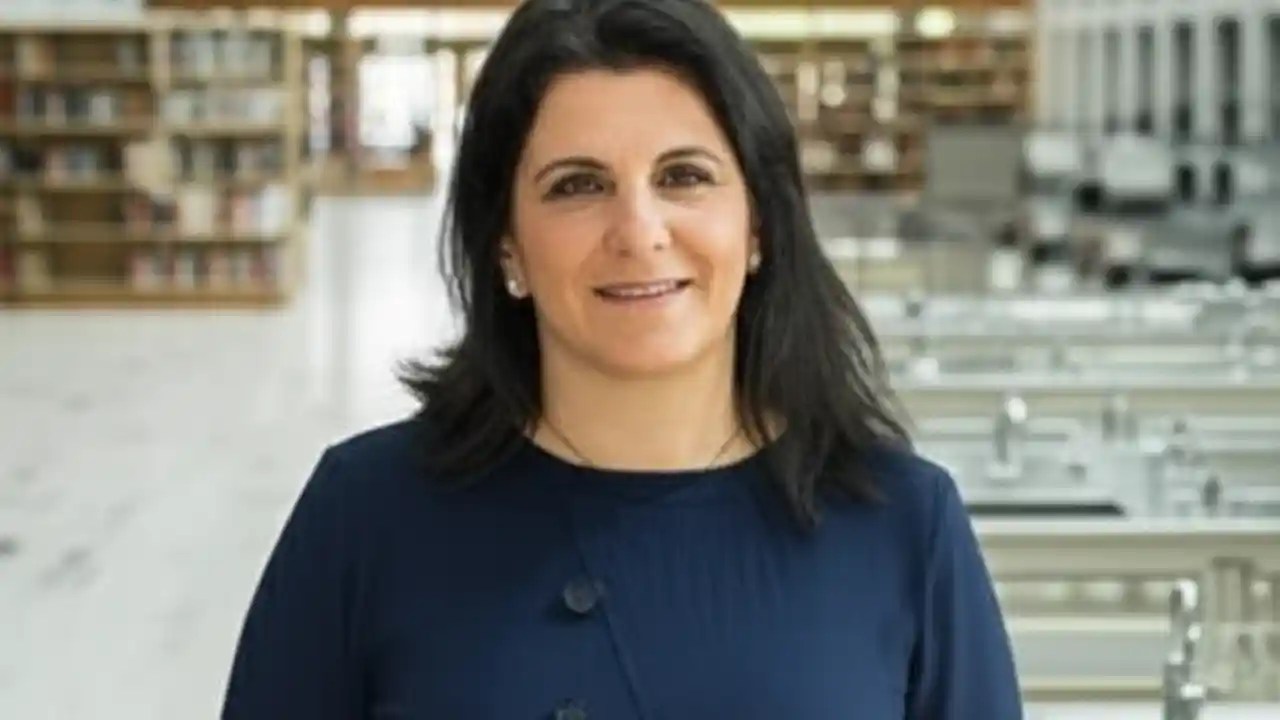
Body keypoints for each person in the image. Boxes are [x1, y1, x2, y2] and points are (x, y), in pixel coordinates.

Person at [221, 1, 1023, 718]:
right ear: (507, 244)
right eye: (577, 185)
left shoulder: (902, 526)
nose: (638, 231)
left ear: (758, 227)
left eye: (684, 176)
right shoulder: (365, 515)